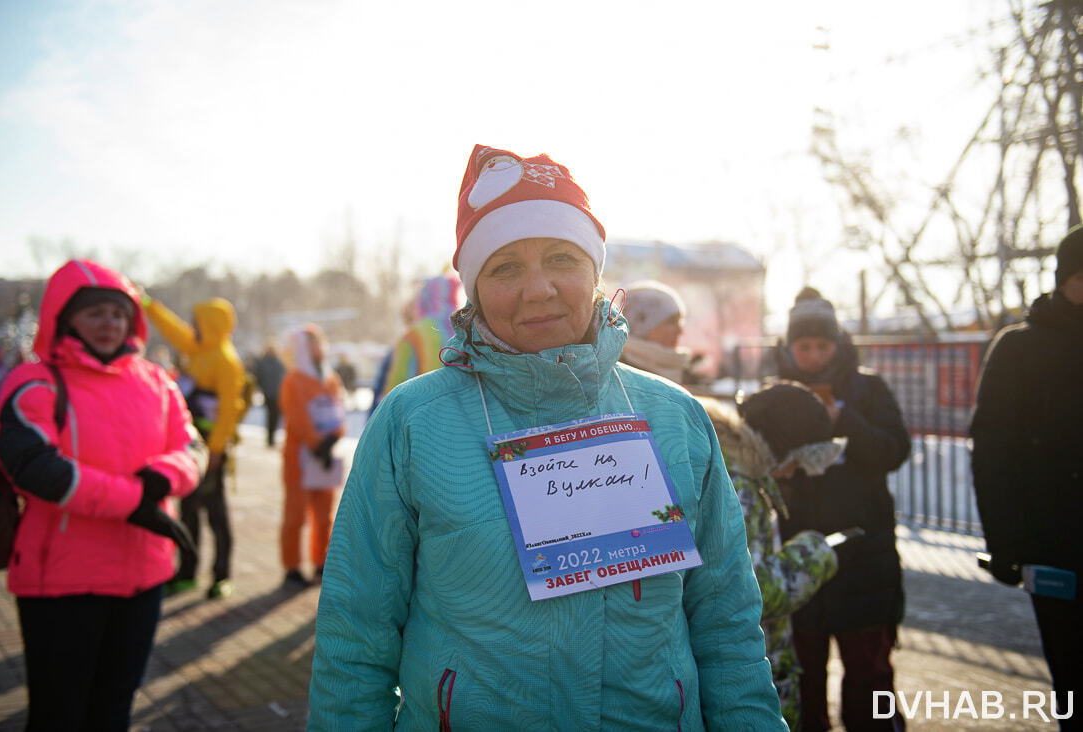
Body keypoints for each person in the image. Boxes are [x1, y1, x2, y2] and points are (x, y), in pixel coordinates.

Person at [308, 145, 786, 729]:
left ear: (595, 272)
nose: (539, 289)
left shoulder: (674, 418)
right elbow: (355, 637)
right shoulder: (412, 425)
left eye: (562, 257)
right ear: (474, 287)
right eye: (505, 266)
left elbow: (727, 622)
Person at [0, 259, 202, 730]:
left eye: (118, 313)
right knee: (58, 714)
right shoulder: (35, 381)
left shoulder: (157, 382)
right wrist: (135, 502)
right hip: (62, 582)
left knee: (113, 710)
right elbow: (31, 465)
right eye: (95, 313)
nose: (110, 324)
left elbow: (191, 446)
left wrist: (161, 480)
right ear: (64, 318)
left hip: (142, 577)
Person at [774, 286, 910, 731]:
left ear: (838, 344)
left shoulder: (868, 389)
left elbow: (895, 450)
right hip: (801, 561)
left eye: (822, 345)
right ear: (790, 348)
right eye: (803, 346)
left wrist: (843, 420)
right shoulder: (774, 397)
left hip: (865, 559)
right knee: (805, 681)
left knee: (871, 681)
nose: (813, 355)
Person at [970, 225, 1083, 728]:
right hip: (1056, 548)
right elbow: (993, 454)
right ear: (1065, 280)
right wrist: (1007, 546)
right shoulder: (1018, 350)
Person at [701, 383, 843, 730]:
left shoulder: (723, 466)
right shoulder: (741, 488)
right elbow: (756, 591)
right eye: (795, 459)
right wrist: (814, 553)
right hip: (750, 664)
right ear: (778, 447)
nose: (794, 471)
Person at [143, 295, 247, 599]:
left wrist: (216, 450)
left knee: (216, 515)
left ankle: (221, 576)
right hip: (190, 446)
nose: (192, 326)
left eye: (199, 321)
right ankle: (187, 572)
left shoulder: (226, 360)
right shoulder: (197, 348)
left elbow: (230, 408)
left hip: (211, 450)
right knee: (188, 512)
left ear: (211, 325)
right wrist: (149, 305)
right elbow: (173, 329)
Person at [279, 324, 345, 588]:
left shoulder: (330, 378)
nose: (321, 347)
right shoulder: (293, 380)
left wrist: (333, 439)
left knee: (324, 515)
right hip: (301, 456)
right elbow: (296, 418)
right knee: (295, 514)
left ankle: (322, 563)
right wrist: (318, 444)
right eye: (315, 343)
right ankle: (291, 566)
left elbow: (339, 411)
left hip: (325, 455)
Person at [374, 269, 464, 404]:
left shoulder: (414, 335)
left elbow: (395, 392)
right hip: (466, 417)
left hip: (423, 418)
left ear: (424, 297)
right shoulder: (469, 329)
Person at [619, 279, 692, 383]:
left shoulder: (688, 375)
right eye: (671, 322)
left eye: (680, 321)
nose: (680, 331)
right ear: (641, 327)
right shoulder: (619, 375)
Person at [255, 343, 287, 447]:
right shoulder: (263, 363)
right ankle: (269, 437)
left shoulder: (279, 363)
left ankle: (272, 437)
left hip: (278, 394)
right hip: (268, 394)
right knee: (270, 416)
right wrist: (262, 388)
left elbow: (285, 376)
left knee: (276, 416)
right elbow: (259, 377)